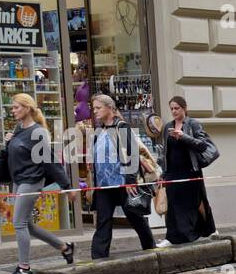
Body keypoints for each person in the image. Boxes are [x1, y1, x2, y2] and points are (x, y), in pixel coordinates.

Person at [0, 93, 73, 274]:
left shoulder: (38, 133)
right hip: (19, 181)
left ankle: (24, 267)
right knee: (28, 225)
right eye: (12, 108)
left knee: (18, 223)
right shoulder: (19, 130)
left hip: (32, 181)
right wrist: (9, 142)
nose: (13, 111)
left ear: (27, 108)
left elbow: (50, 160)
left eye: (16, 107)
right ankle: (65, 247)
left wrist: (66, 186)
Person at [89, 93, 156, 258]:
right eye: (94, 108)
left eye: (98, 108)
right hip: (104, 185)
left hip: (123, 183)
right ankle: (98, 257)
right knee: (103, 221)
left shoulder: (121, 127)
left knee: (134, 216)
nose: (95, 111)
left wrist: (130, 180)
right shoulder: (99, 131)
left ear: (109, 108)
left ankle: (150, 248)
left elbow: (133, 154)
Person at [158, 95, 217, 244]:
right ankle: (171, 237)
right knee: (173, 204)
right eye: (171, 108)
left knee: (197, 202)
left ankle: (208, 230)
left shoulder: (192, 124)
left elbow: (202, 145)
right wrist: (163, 173)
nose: (174, 111)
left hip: (190, 170)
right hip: (172, 171)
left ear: (184, 108)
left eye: (177, 108)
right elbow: (166, 151)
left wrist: (184, 137)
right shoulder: (167, 127)